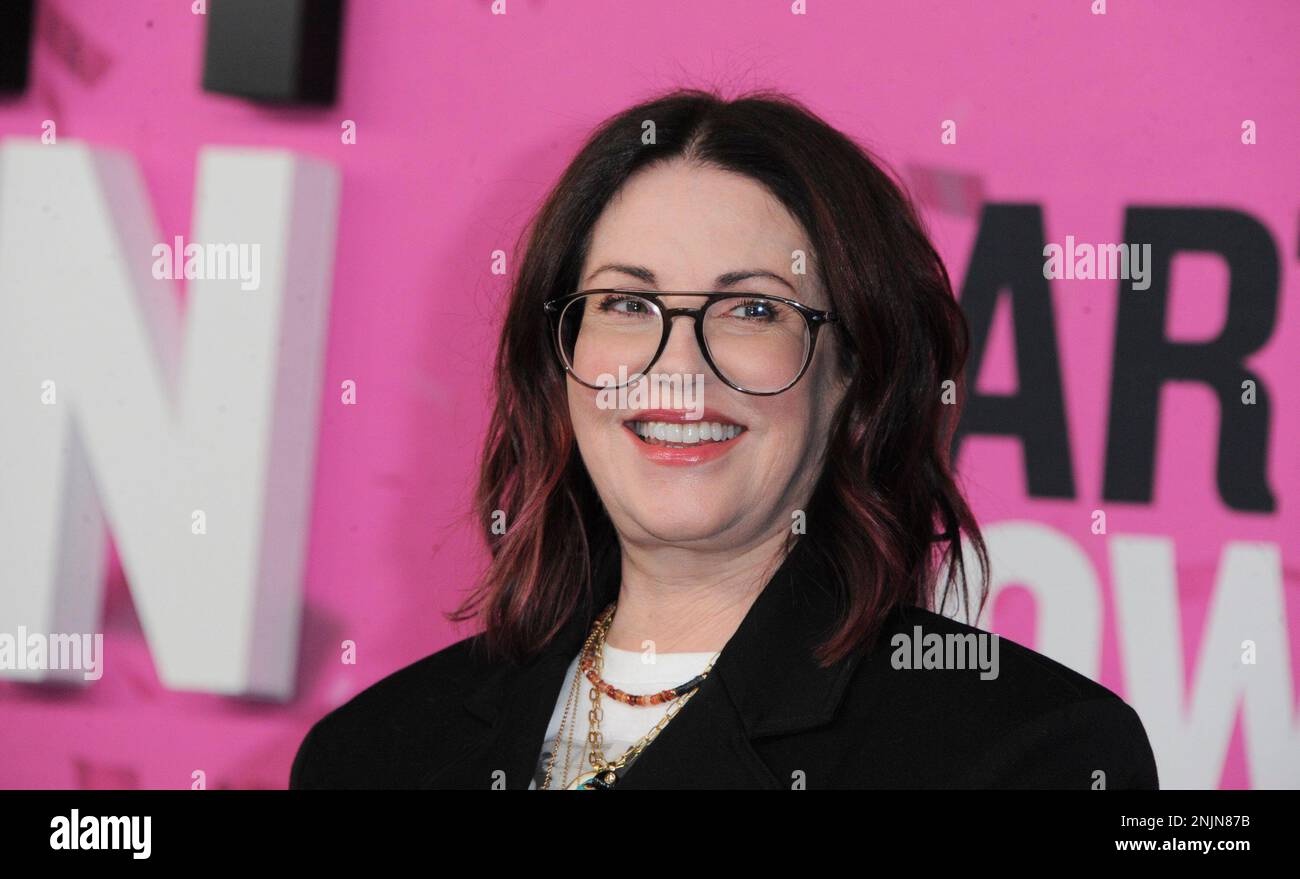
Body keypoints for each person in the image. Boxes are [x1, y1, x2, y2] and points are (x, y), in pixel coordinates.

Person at [290, 87, 1159, 790]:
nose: (676, 367)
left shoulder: (1029, 753)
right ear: (560, 360)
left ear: (853, 374)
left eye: (751, 309)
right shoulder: (369, 755)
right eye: (628, 304)